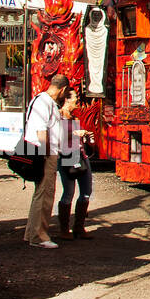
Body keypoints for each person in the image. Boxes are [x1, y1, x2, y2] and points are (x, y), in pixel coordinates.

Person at [23, 75, 69, 249]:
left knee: (40, 194)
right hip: (44, 153)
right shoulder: (45, 103)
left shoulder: (40, 100)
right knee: (45, 195)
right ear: (63, 89)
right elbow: (42, 132)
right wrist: (45, 155)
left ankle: (31, 233)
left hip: (42, 152)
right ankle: (39, 236)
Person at [55, 88, 94, 241]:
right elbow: (57, 137)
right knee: (69, 193)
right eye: (75, 97)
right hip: (66, 156)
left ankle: (79, 227)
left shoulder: (74, 117)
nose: (77, 99)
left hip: (80, 156)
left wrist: (85, 137)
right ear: (66, 99)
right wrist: (77, 133)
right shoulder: (58, 117)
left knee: (86, 192)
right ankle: (64, 230)